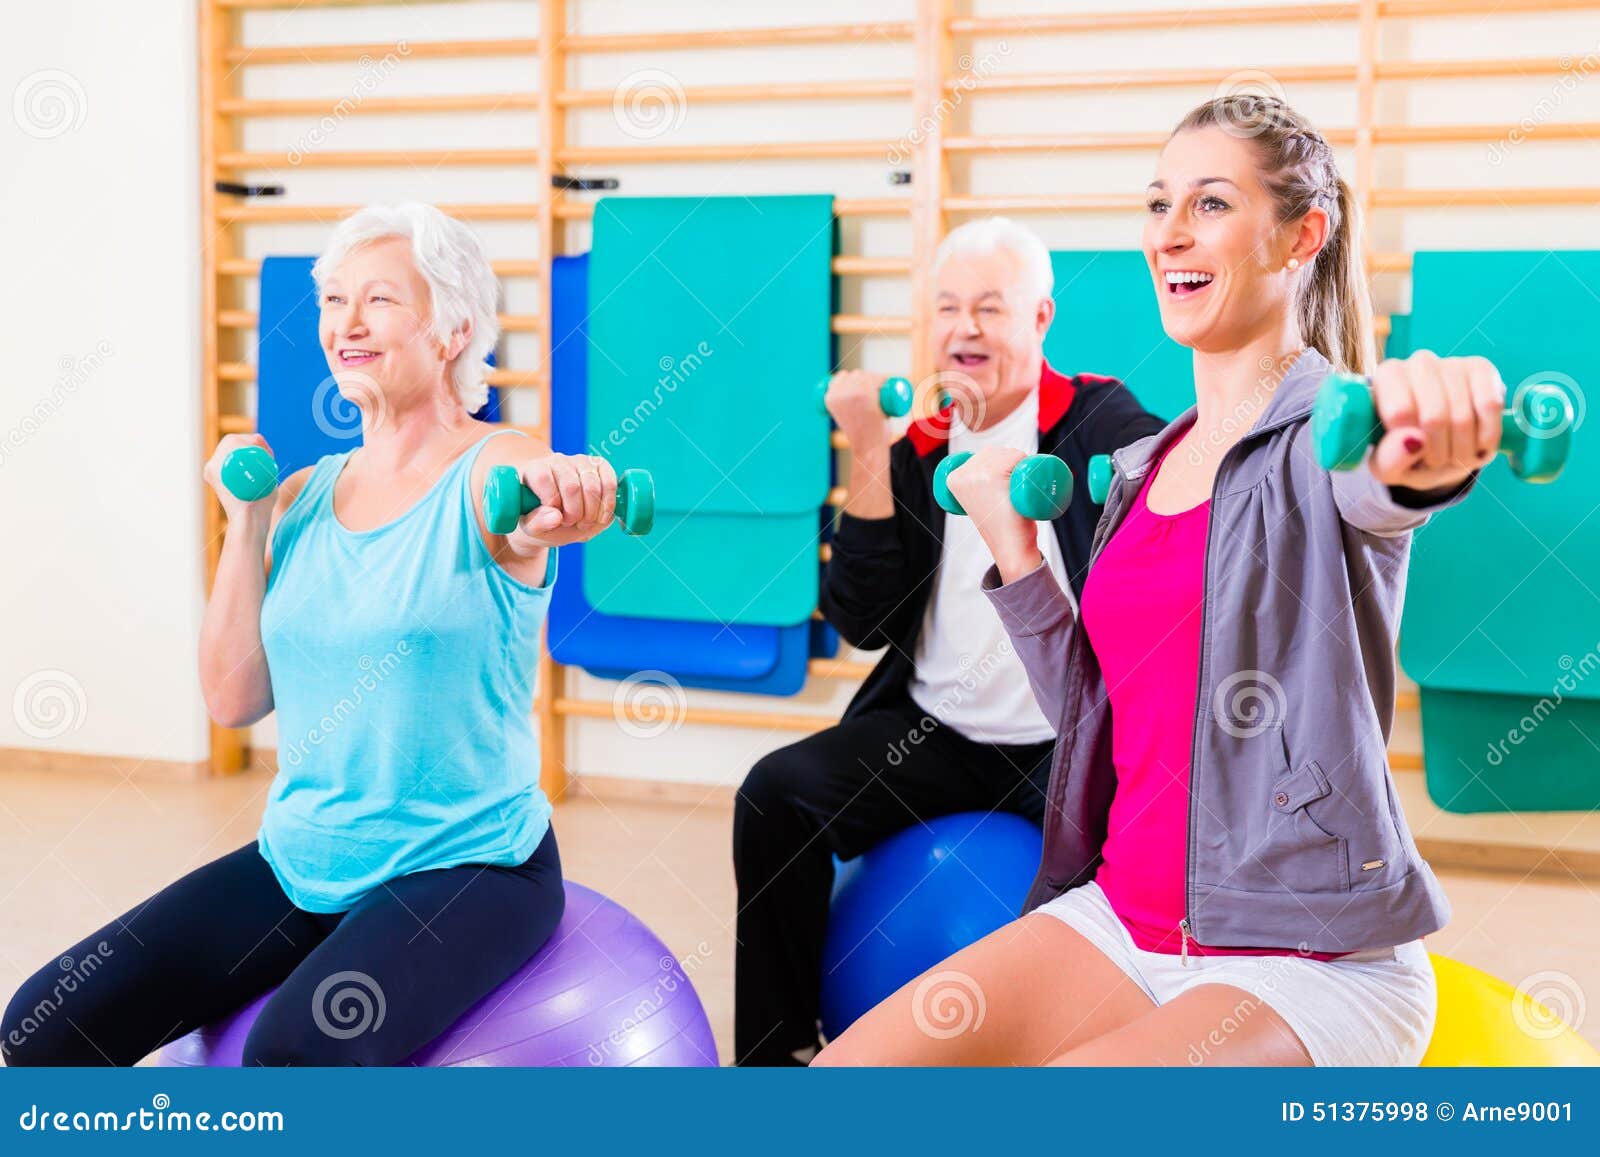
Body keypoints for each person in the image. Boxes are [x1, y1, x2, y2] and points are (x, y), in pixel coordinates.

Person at [814, 94, 1503, 1068]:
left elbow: (1392, 476)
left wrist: (1429, 439)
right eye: (1156, 203)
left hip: (1301, 956)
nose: (1169, 232)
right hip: (1122, 916)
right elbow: (1092, 710)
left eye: (1210, 203)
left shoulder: (1332, 433)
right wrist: (1013, 546)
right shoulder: (1144, 466)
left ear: (1300, 235)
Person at [2, 203, 617, 1066]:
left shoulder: (493, 472)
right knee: (40, 1028)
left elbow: (535, 495)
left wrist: (568, 491)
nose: (346, 323)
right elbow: (232, 699)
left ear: (453, 331)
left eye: (379, 299)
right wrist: (247, 521)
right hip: (303, 859)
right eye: (333, 300)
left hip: (468, 866)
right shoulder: (298, 497)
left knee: (294, 1058)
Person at [733, 217, 1165, 1066]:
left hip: (1064, 745)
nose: (965, 328)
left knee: (1136, 874)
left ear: (1040, 318)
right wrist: (869, 447)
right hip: (932, 733)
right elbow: (862, 621)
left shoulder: (1101, 423)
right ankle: (774, 1060)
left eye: (990, 308)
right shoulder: (920, 444)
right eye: (947, 307)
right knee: (773, 797)